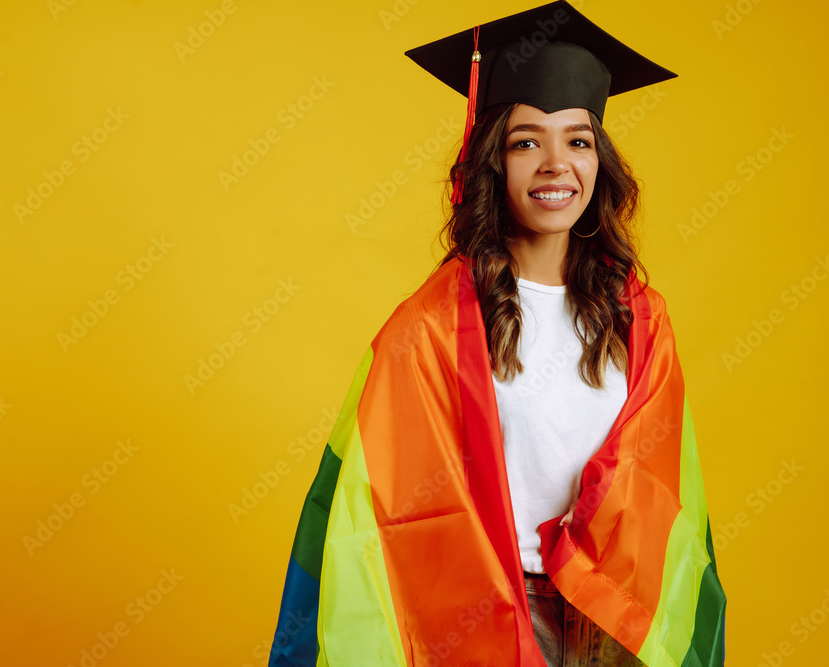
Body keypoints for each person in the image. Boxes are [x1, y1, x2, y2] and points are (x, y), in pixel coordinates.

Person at [267, 2, 725, 665]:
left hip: (615, 617)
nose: (555, 164)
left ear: (600, 165)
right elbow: (384, 510)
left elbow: (665, 490)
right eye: (525, 141)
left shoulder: (641, 318)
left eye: (577, 140)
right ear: (491, 161)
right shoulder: (431, 328)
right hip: (486, 613)